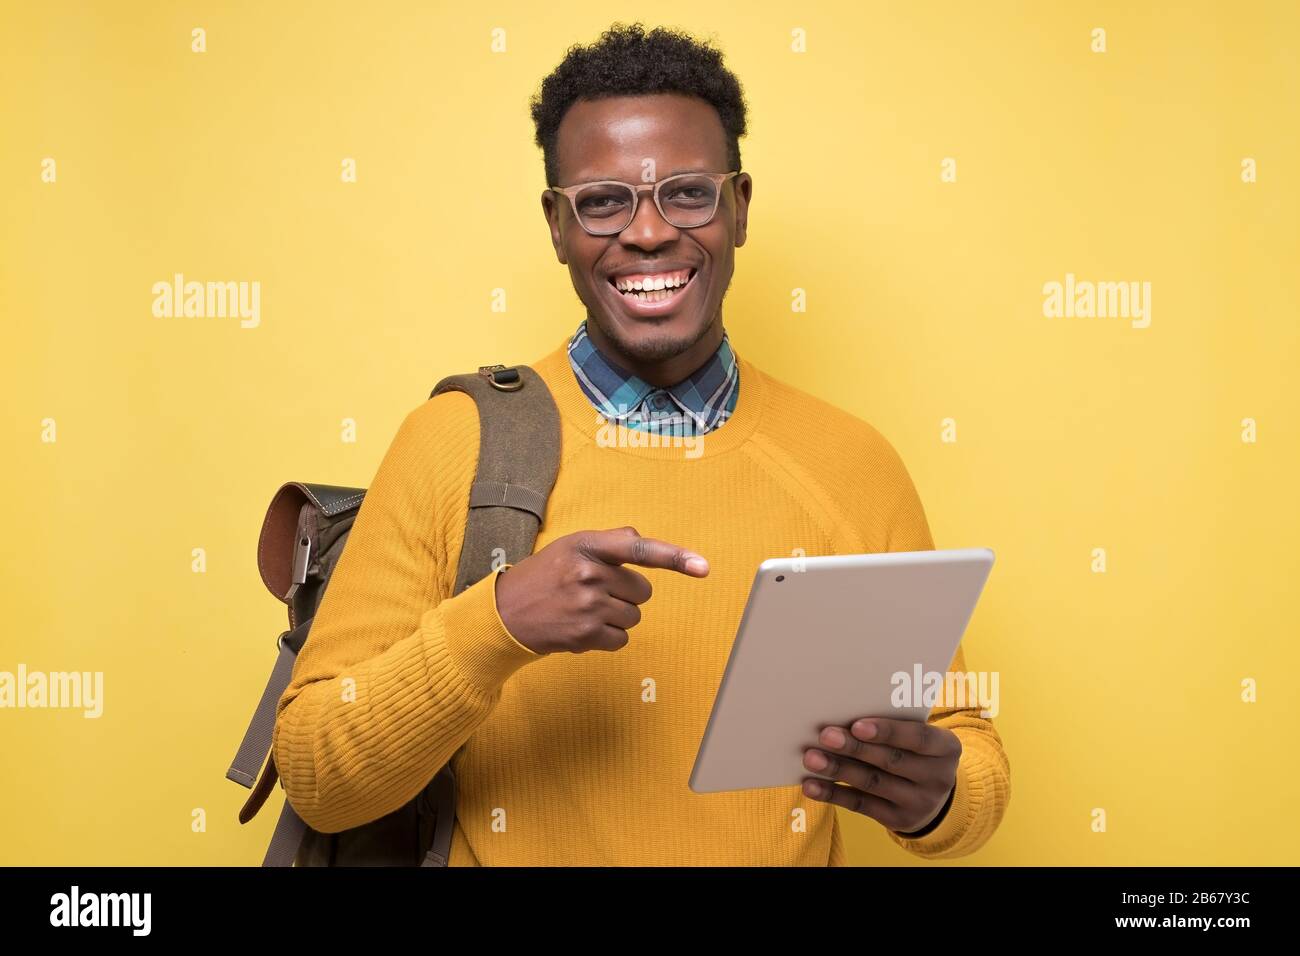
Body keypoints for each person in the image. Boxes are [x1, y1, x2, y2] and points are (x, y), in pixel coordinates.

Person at [272, 21, 1010, 866]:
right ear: (557, 225)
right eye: (603, 201)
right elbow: (318, 776)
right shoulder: (452, 444)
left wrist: (938, 797)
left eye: (688, 193)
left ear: (738, 207)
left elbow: (967, 748)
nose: (650, 232)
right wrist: (498, 621)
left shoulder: (853, 461)